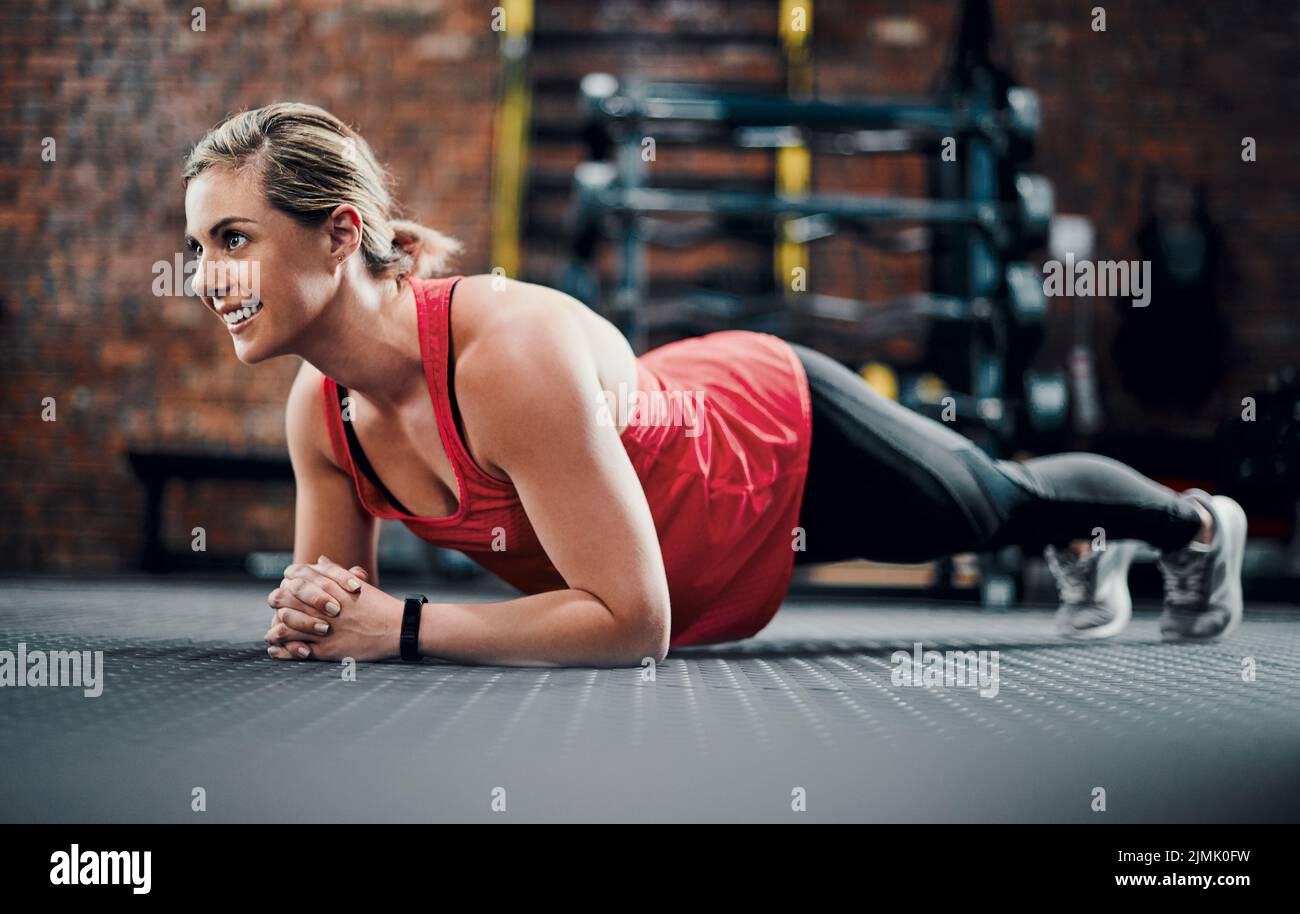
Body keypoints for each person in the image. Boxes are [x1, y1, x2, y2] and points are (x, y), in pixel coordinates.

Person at [180, 102, 1246, 668]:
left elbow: (627, 623)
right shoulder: (321, 416)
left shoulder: (505, 356)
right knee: (992, 508)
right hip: (682, 530)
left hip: (769, 437)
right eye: (195, 247)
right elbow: (327, 620)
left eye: (233, 237)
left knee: (991, 502)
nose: (206, 275)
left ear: (340, 234)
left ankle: (1196, 527)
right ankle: (1071, 538)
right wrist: (323, 617)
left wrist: (404, 625)